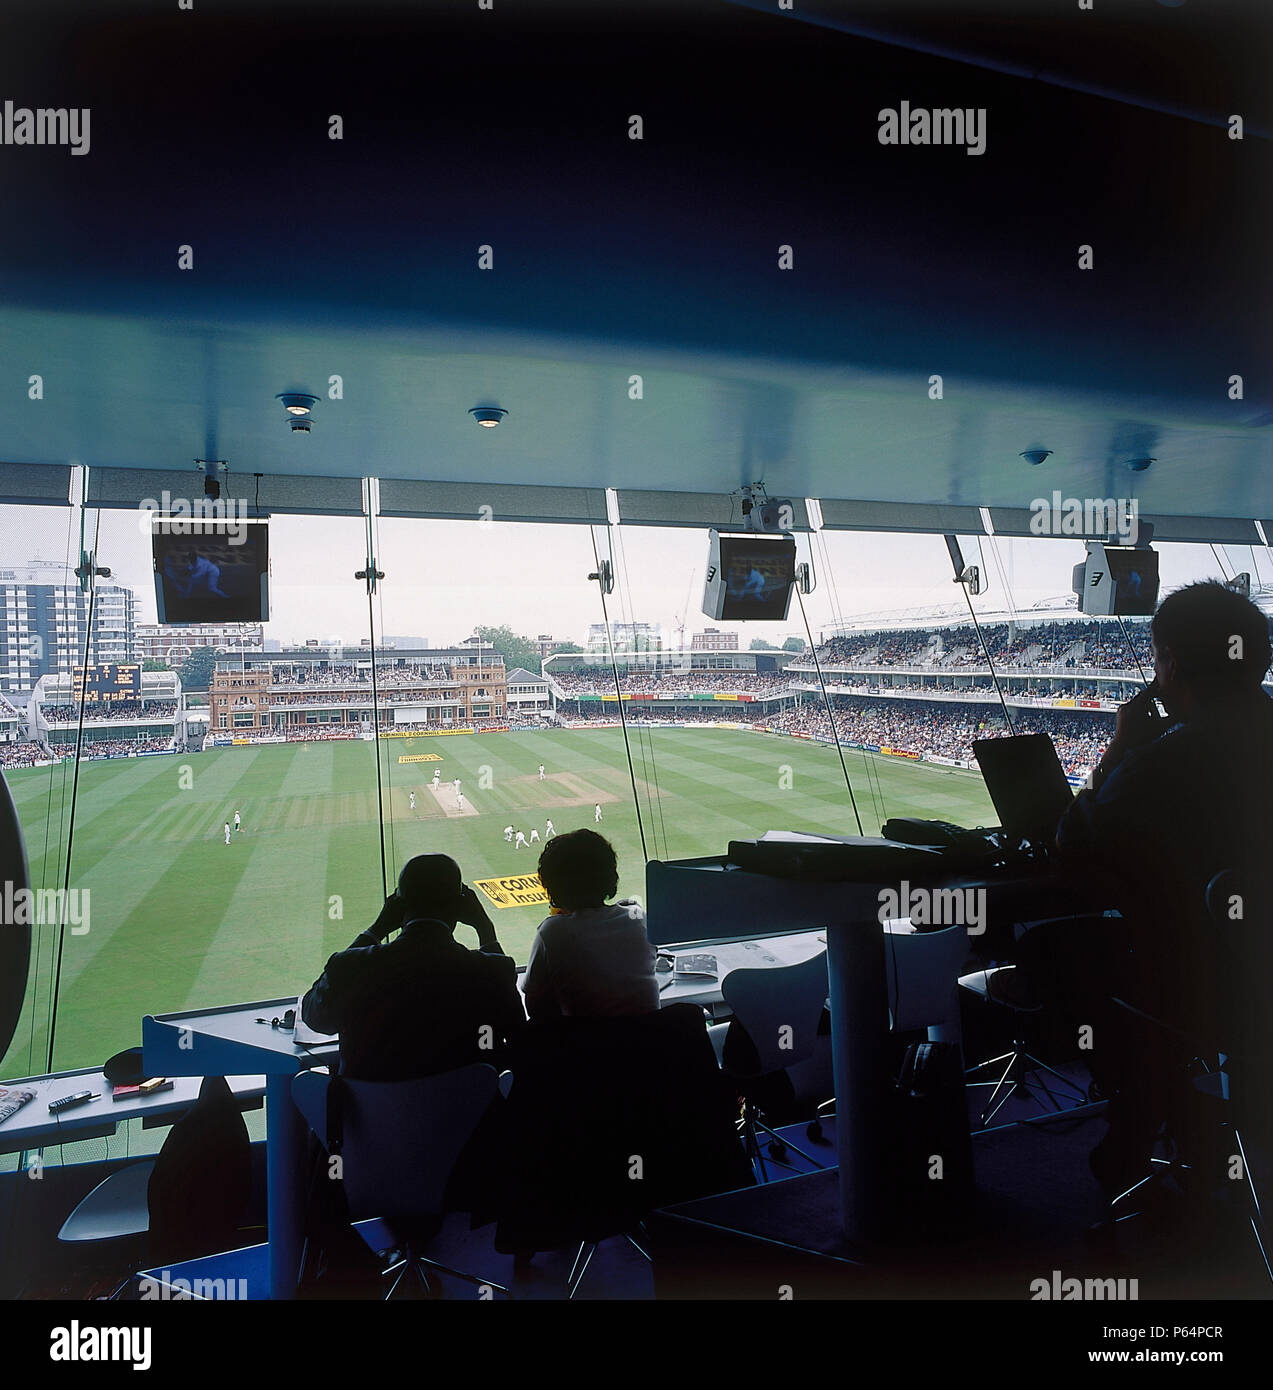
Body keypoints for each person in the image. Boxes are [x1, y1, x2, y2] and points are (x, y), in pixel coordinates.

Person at [1051, 582, 1273, 1196]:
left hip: (1217, 998)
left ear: (1169, 666)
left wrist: (1122, 747)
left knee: (1069, 952)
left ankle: (1148, 1123)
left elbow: (1072, 841)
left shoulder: (1163, 763)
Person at [301, 853, 524, 1081]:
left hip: (371, 1115)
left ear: (396, 906)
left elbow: (315, 1018)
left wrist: (376, 930)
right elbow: (517, 1036)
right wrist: (485, 928)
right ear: (461, 906)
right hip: (466, 1113)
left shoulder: (349, 966)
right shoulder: (491, 970)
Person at [522, 829, 658, 1020]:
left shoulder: (553, 932)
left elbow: (535, 1008)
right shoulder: (640, 919)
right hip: (649, 1046)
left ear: (553, 886)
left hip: (589, 1048)